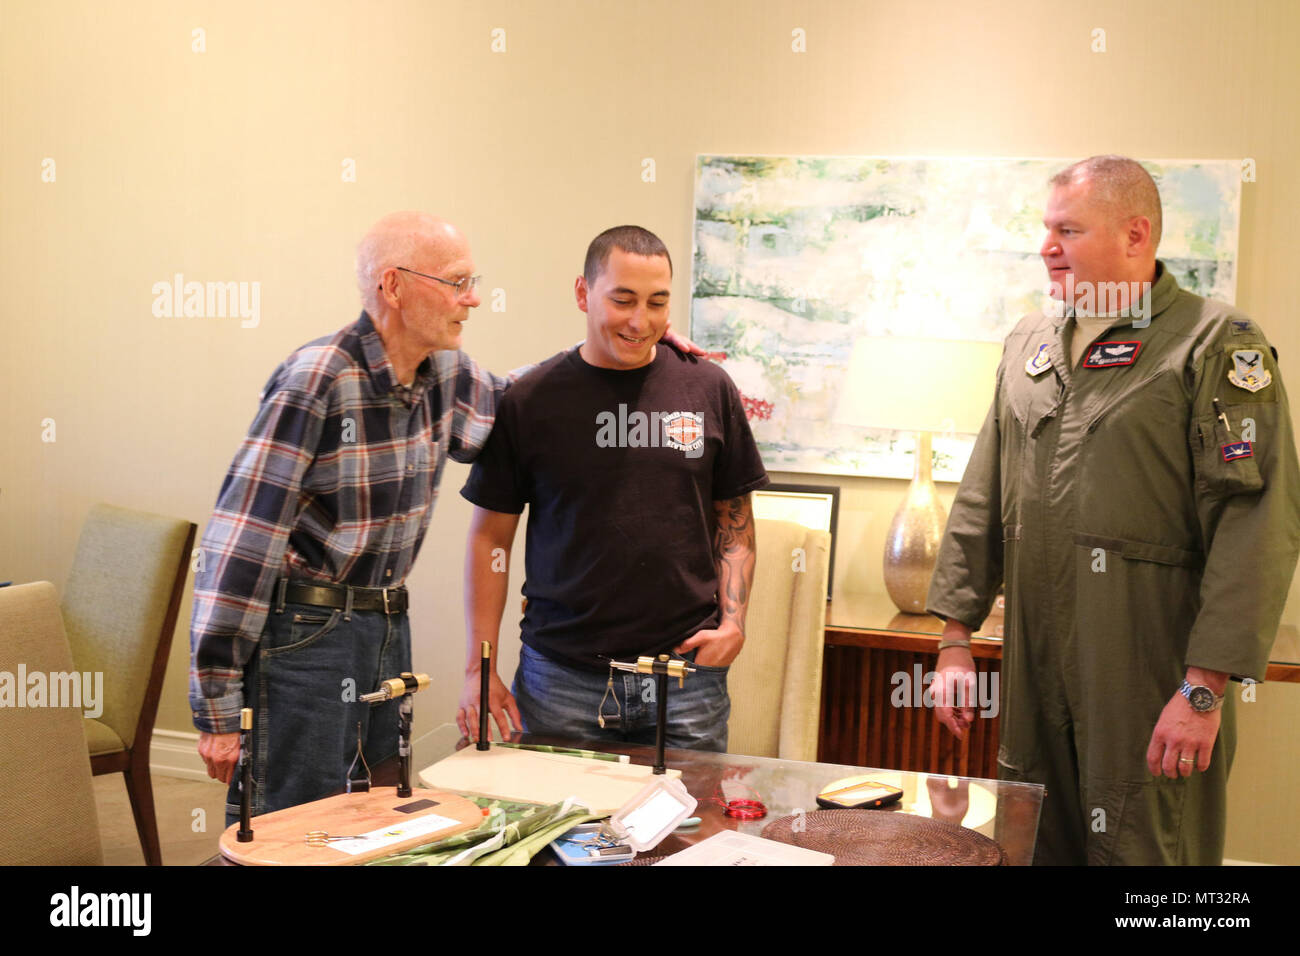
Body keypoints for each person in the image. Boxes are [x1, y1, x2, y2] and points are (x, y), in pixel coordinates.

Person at [926, 156, 1300, 865]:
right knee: (1031, 841)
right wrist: (954, 638)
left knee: (1148, 854)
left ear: (1135, 235)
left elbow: (1255, 526)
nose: (1047, 246)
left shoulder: (1215, 344)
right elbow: (983, 492)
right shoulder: (1029, 344)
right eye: (1046, 229)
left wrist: (1202, 690)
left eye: (1068, 229)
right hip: (1037, 669)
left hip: (1149, 673)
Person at [455, 225, 768, 751]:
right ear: (583, 293)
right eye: (622, 300)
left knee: (690, 832)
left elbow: (735, 524)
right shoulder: (530, 400)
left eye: (656, 303)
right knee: (556, 831)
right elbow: (491, 541)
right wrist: (477, 669)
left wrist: (734, 623)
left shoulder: (708, 388)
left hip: (685, 680)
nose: (639, 321)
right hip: (561, 679)